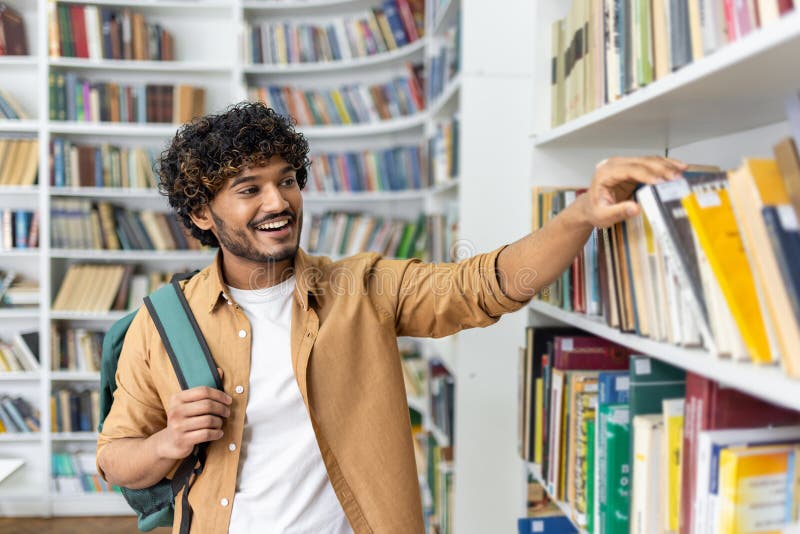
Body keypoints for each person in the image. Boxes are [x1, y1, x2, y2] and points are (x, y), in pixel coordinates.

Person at [96, 102, 687, 533]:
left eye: (286, 181)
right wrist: (170, 441)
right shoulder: (162, 323)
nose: (278, 202)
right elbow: (116, 457)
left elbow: (489, 285)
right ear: (202, 214)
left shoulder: (363, 287)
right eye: (248, 189)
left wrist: (580, 215)